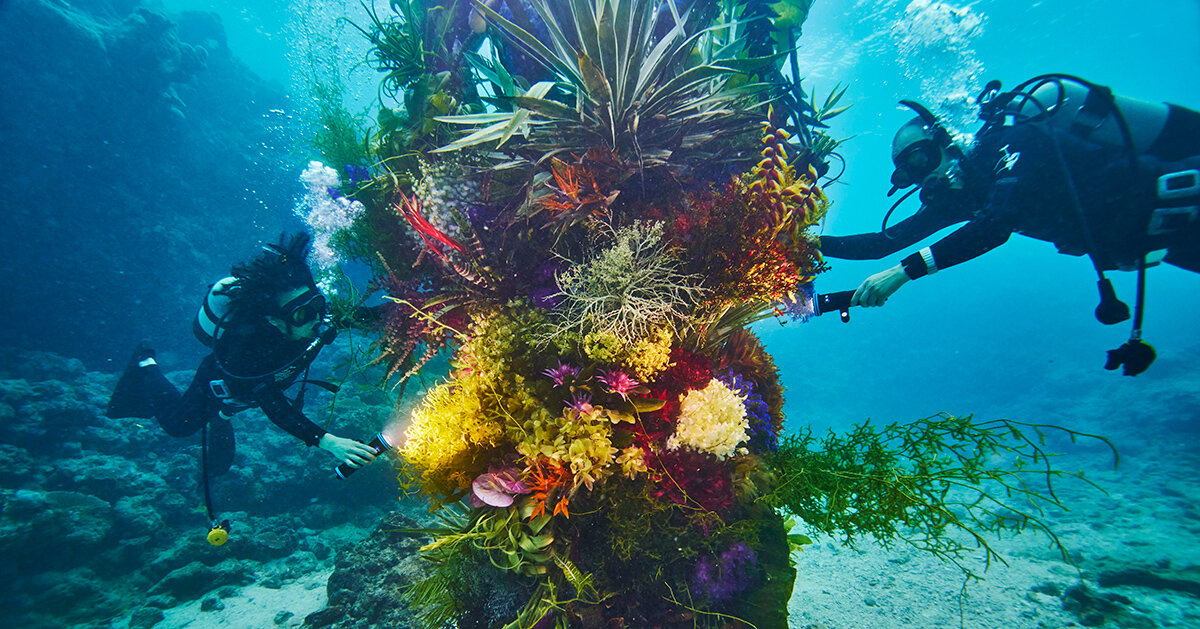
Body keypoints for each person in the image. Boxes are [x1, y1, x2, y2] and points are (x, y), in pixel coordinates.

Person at [820, 74, 1200, 374]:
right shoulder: (967, 195)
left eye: (921, 159)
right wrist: (810, 243)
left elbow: (998, 224)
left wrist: (904, 272)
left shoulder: (1012, 143)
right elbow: (883, 241)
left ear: (946, 141)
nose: (922, 177)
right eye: (909, 174)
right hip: (1156, 239)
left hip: (1181, 196)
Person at [106, 233, 379, 487]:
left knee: (227, 429)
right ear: (274, 319)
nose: (316, 318)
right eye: (301, 314)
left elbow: (357, 315)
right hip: (224, 384)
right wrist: (329, 442)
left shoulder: (315, 319)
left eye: (317, 305)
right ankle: (146, 363)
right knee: (179, 426)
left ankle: (223, 415)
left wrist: (401, 313)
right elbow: (273, 404)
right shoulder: (249, 354)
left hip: (254, 392)